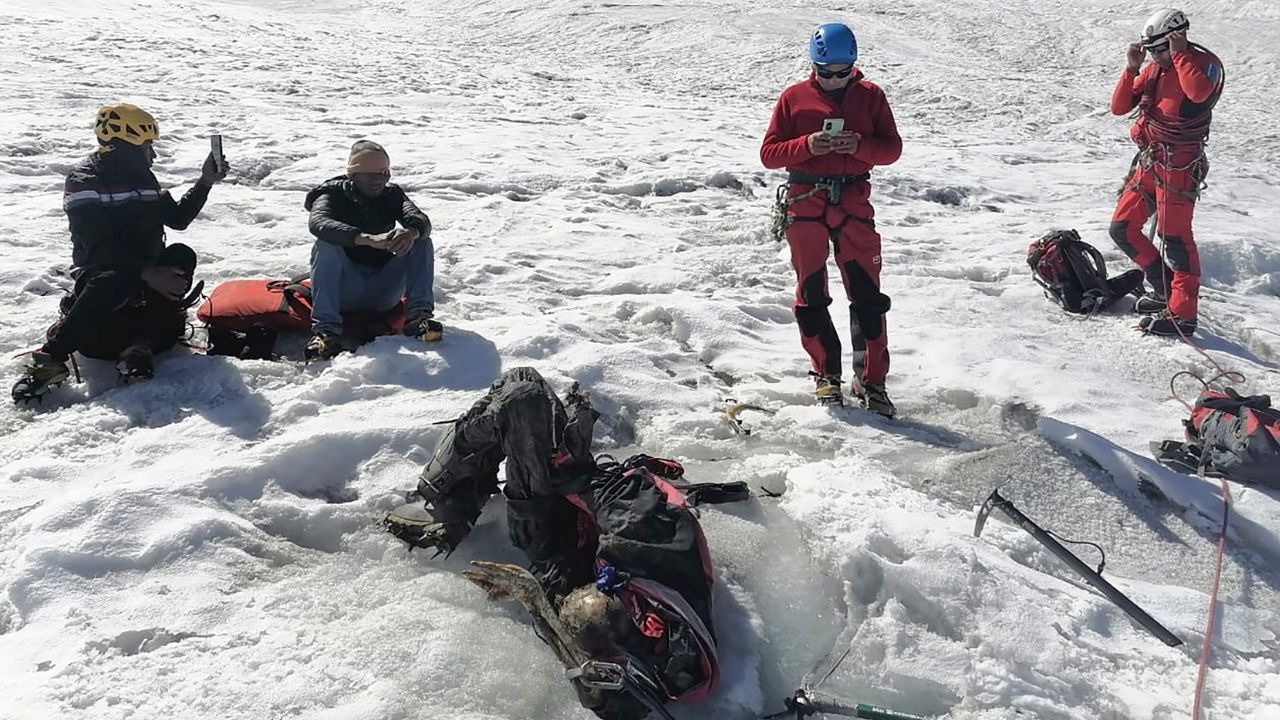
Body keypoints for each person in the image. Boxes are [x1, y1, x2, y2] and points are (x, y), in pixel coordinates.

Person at [384, 368, 724, 719]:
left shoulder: (622, 675)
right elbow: (614, 495)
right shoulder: (648, 542)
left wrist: (531, 595)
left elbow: (581, 664)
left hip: (553, 542)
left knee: (522, 396)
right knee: (525, 384)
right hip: (584, 516)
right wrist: (570, 467)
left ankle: (446, 502)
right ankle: (456, 494)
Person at [11, 103, 227, 403]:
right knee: (114, 278)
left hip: (144, 286)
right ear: (127, 148)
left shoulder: (144, 178)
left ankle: (140, 346)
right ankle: (51, 358)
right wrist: (147, 273)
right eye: (147, 147)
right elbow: (96, 248)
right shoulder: (85, 180)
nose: (154, 155)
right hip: (103, 290)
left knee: (181, 255)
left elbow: (177, 219)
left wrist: (205, 182)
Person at [761, 22, 903, 416]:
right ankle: (826, 375)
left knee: (868, 295)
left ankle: (871, 381)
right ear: (814, 65)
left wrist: (859, 146)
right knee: (811, 292)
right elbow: (769, 154)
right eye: (826, 72)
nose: (835, 80)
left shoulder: (871, 96)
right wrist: (807, 145)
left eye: (843, 72)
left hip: (853, 202)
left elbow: (891, 149)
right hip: (805, 202)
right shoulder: (794, 98)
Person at [1108, 8, 1224, 337]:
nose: (1155, 55)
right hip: (1151, 161)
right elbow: (1120, 107)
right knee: (1122, 228)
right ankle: (1165, 290)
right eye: (1152, 50)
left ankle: (1183, 315)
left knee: (1175, 240)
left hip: (1179, 166)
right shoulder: (1155, 69)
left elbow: (1198, 93)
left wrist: (1180, 54)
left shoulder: (1202, 65)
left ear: (1177, 37)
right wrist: (1132, 67)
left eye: (1160, 48)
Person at [303, 140, 440, 361]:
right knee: (325, 244)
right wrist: (366, 239)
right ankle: (326, 332)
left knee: (421, 241)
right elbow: (318, 223)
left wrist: (410, 233)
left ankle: (419, 318)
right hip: (345, 291)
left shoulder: (391, 194)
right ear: (353, 175)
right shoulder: (331, 194)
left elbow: (420, 220)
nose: (378, 180)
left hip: (383, 290)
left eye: (383, 174)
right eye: (370, 174)